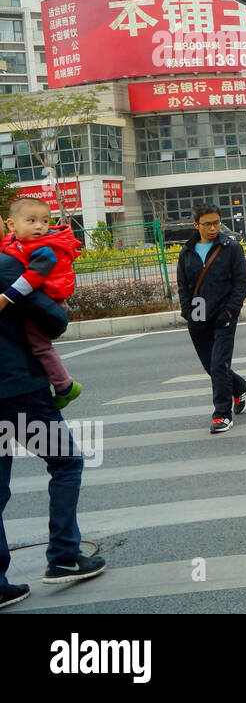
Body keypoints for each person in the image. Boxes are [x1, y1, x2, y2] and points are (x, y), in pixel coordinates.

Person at [1, 244, 107, 610]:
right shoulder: (8, 266)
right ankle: (63, 557)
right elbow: (53, 320)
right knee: (65, 462)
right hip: (18, 391)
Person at [0, 198, 84, 409]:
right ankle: (64, 384)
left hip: (52, 300)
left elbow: (33, 278)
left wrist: (6, 297)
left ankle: (64, 385)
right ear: (11, 224)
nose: (39, 226)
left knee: (40, 347)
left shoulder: (43, 250)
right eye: (32, 221)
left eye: (45, 221)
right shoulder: (15, 245)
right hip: (18, 384)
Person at [177, 204, 246, 434]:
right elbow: (182, 285)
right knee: (212, 366)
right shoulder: (186, 251)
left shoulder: (230, 247)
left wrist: (230, 310)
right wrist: (188, 311)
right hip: (197, 315)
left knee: (219, 364)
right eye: (207, 223)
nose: (213, 228)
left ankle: (222, 415)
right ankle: (239, 386)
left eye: (216, 223)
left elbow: (242, 281)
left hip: (224, 315)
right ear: (196, 225)